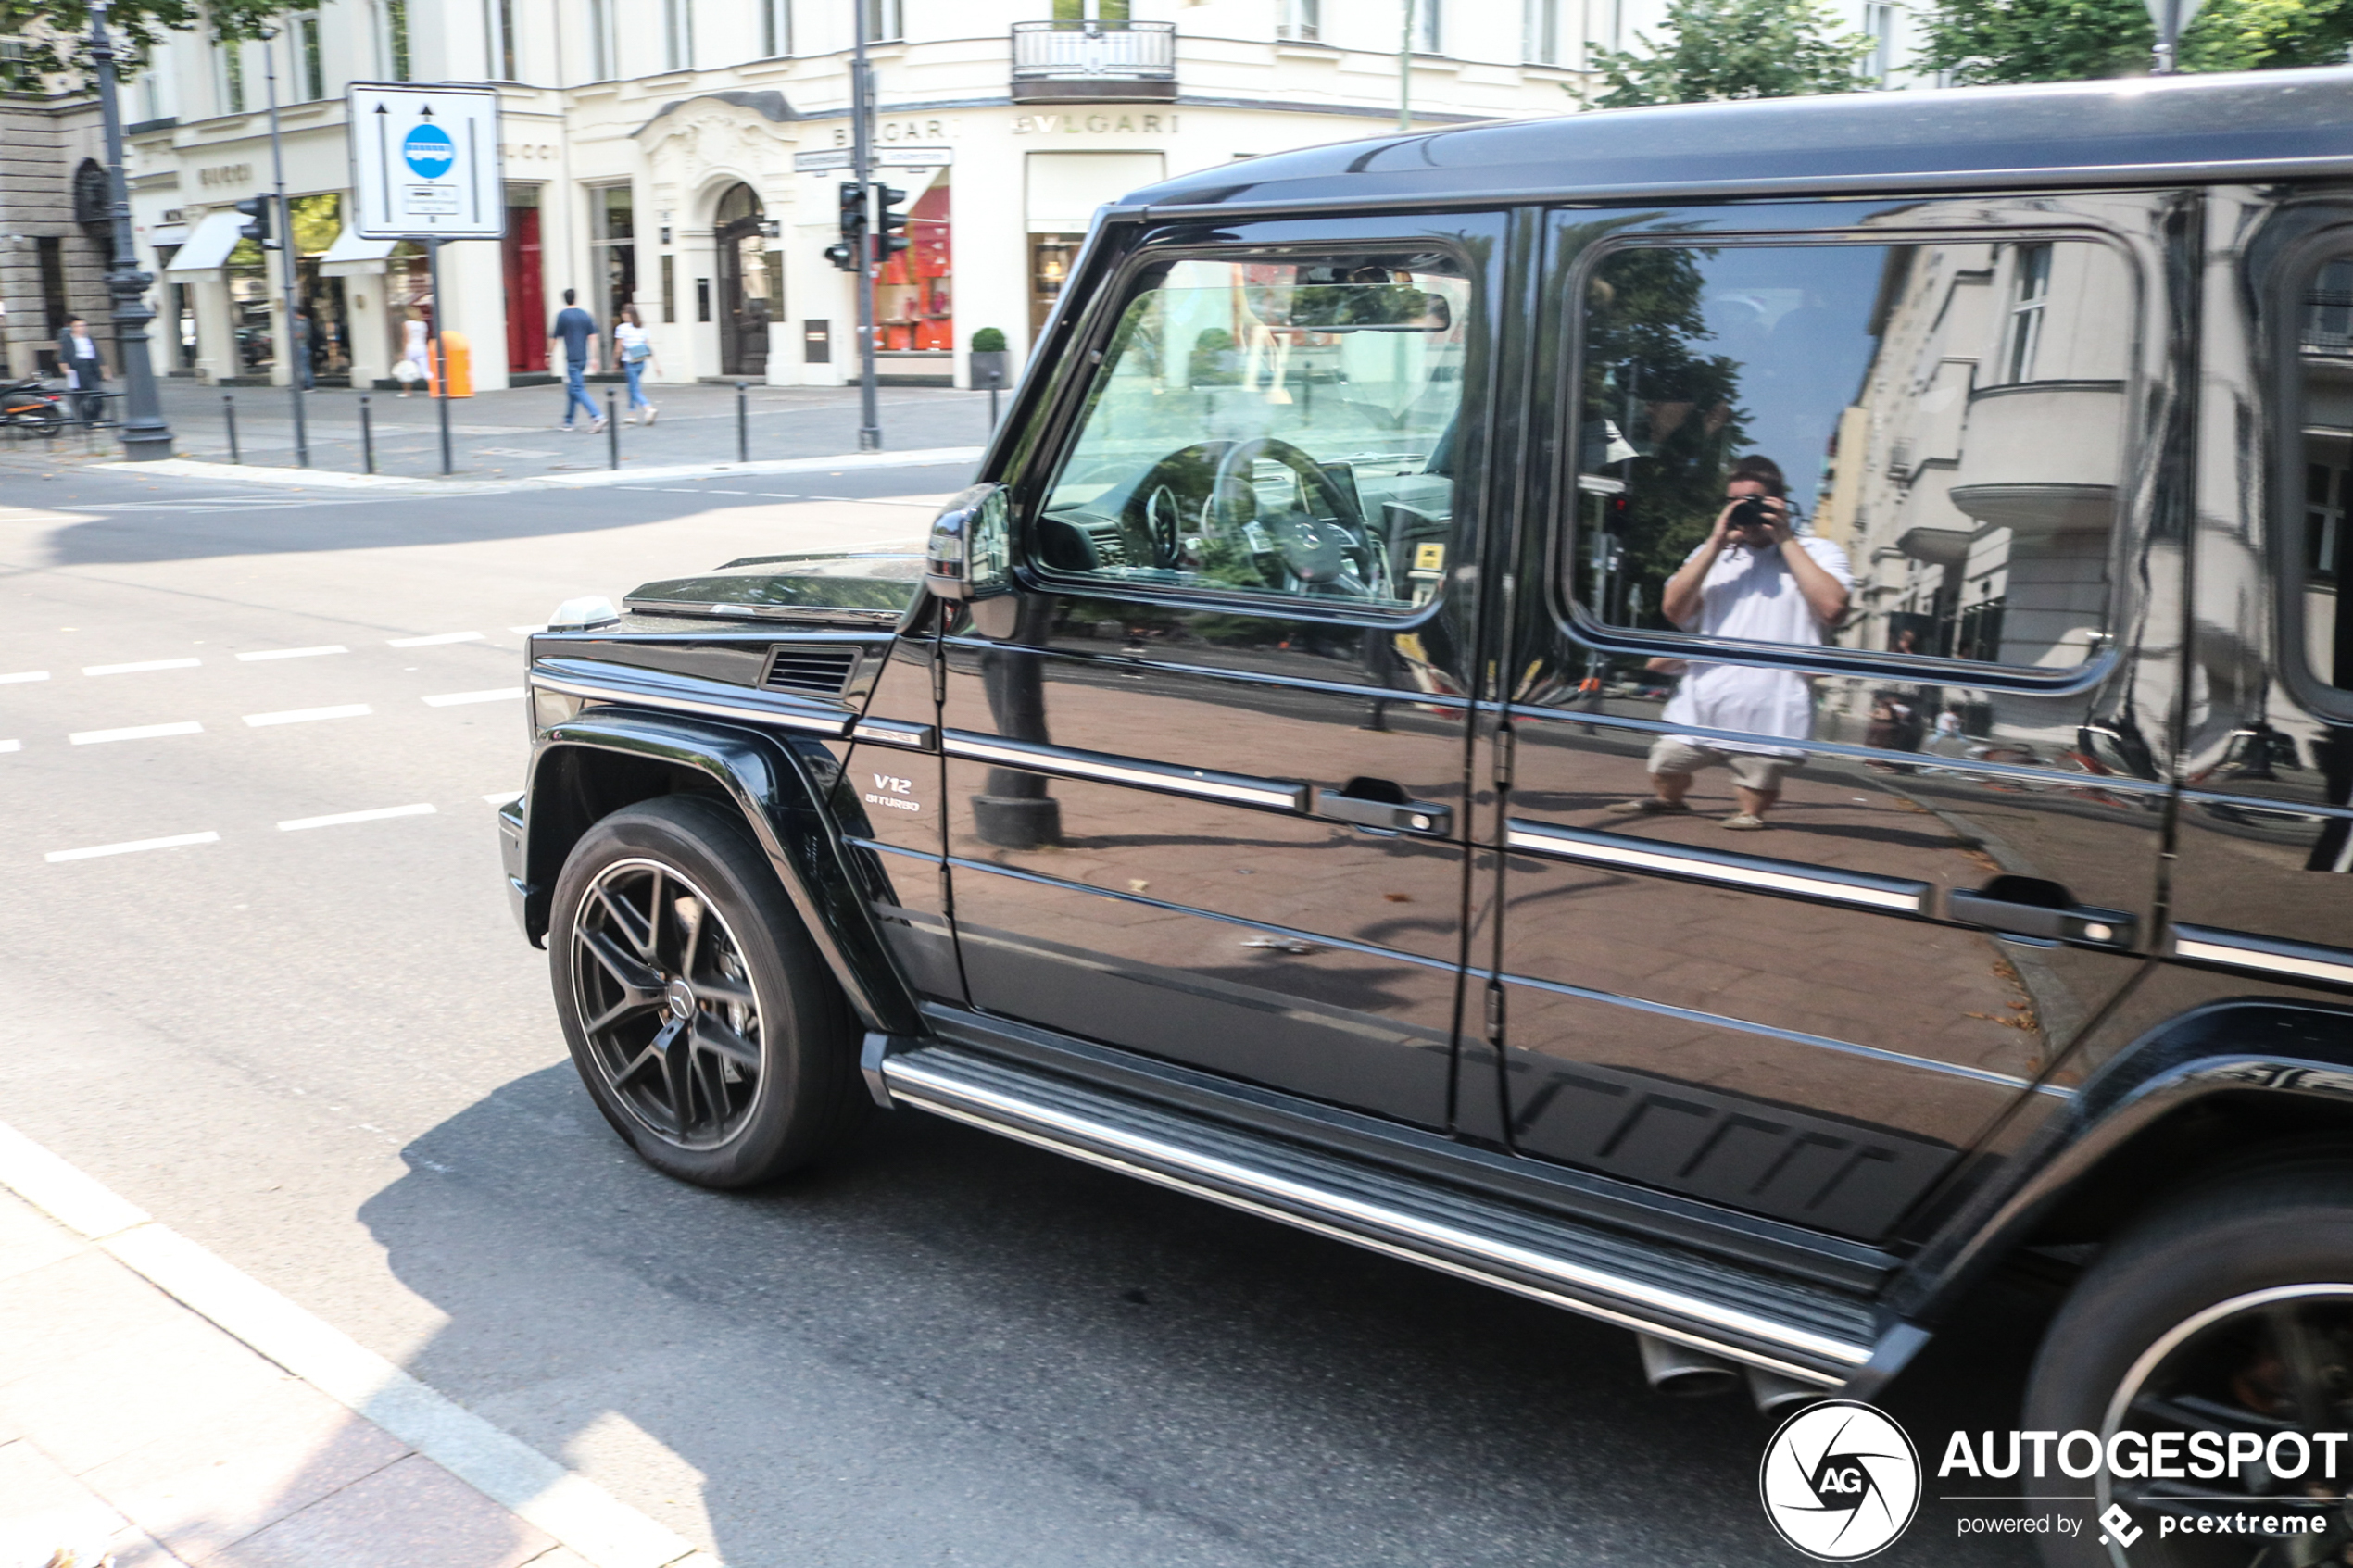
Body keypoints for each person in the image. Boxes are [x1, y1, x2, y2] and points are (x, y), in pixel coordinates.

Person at [1608, 454, 1853, 830]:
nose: (1742, 511)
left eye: (1752, 501)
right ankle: (1670, 801)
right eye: (1733, 502)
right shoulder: (1713, 554)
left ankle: (1749, 814)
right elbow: (1674, 610)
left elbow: (1833, 607)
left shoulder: (1819, 552)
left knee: (1753, 793)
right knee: (1664, 764)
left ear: (1778, 504)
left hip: (1771, 705)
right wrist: (1716, 542)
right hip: (1704, 698)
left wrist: (1784, 538)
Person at [549, 289, 605, 433]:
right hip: (583, 358)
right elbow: (593, 338)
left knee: (577, 389)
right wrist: (595, 358)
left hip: (572, 358)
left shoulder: (562, 316)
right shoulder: (585, 315)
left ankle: (597, 416)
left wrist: (549, 354)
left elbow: (554, 338)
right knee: (572, 389)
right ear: (575, 299)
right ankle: (568, 421)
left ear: (564, 299)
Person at [612, 304, 658, 424]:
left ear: (625, 315)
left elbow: (618, 348)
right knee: (633, 387)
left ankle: (648, 408)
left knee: (633, 390)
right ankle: (631, 413)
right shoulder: (642, 328)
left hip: (630, 362)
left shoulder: (622, 328)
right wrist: (656, 365)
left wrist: (616, 361)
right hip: (641, 362)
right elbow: (648, 347)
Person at [56, 316, 104, 425]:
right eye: (79, 326)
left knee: (97, 395)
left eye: (84, 325)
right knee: (80, 397)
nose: (82, 328)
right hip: (76, 370)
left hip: (91, 368)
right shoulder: (67, 340)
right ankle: (87, 422)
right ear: (73, 328)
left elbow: (98, 355)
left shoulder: (90, 339)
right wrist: (66, 370)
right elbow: (62, 357)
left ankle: (96, 418)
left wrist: (105, 371)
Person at [397, 308, 430, 397]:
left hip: (411, 348)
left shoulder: (407, 324)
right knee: (425, 371)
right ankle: (436, 389)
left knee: (407, 370)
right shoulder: (423, 324)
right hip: (422, 348)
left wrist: (403, 352)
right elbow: (425, 336)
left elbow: (405, 338)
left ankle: (407, 392)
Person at [291, 306, 317, 391]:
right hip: (303, 346)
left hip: (302, 347)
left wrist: (294, 335)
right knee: (304, 366)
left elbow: (302, 335)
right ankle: (306, 384)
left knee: (304, 366)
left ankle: (308, 385)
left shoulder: (302, 322)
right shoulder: (305, 321)